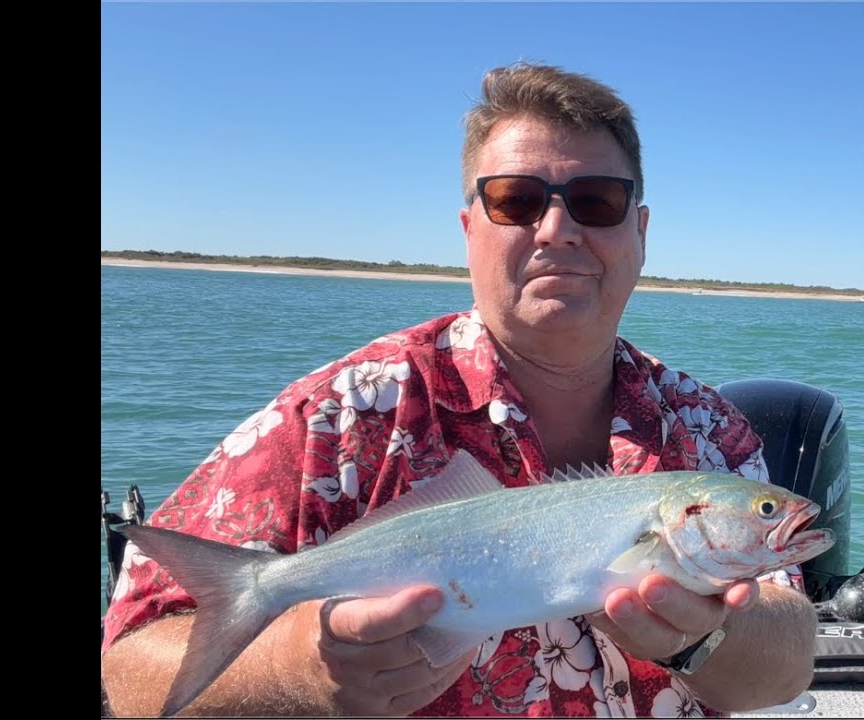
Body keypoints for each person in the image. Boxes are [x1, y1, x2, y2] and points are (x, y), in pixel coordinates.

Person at [101, 62, 818, 718]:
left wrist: (711, 632)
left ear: (641, 229)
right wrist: (294, 670)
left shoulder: (707, 429)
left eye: (597, 200)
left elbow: (785, 671)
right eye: (517, 200)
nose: (557, 229)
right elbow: (127, 669)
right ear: (469, 226)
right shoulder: (339, 417)